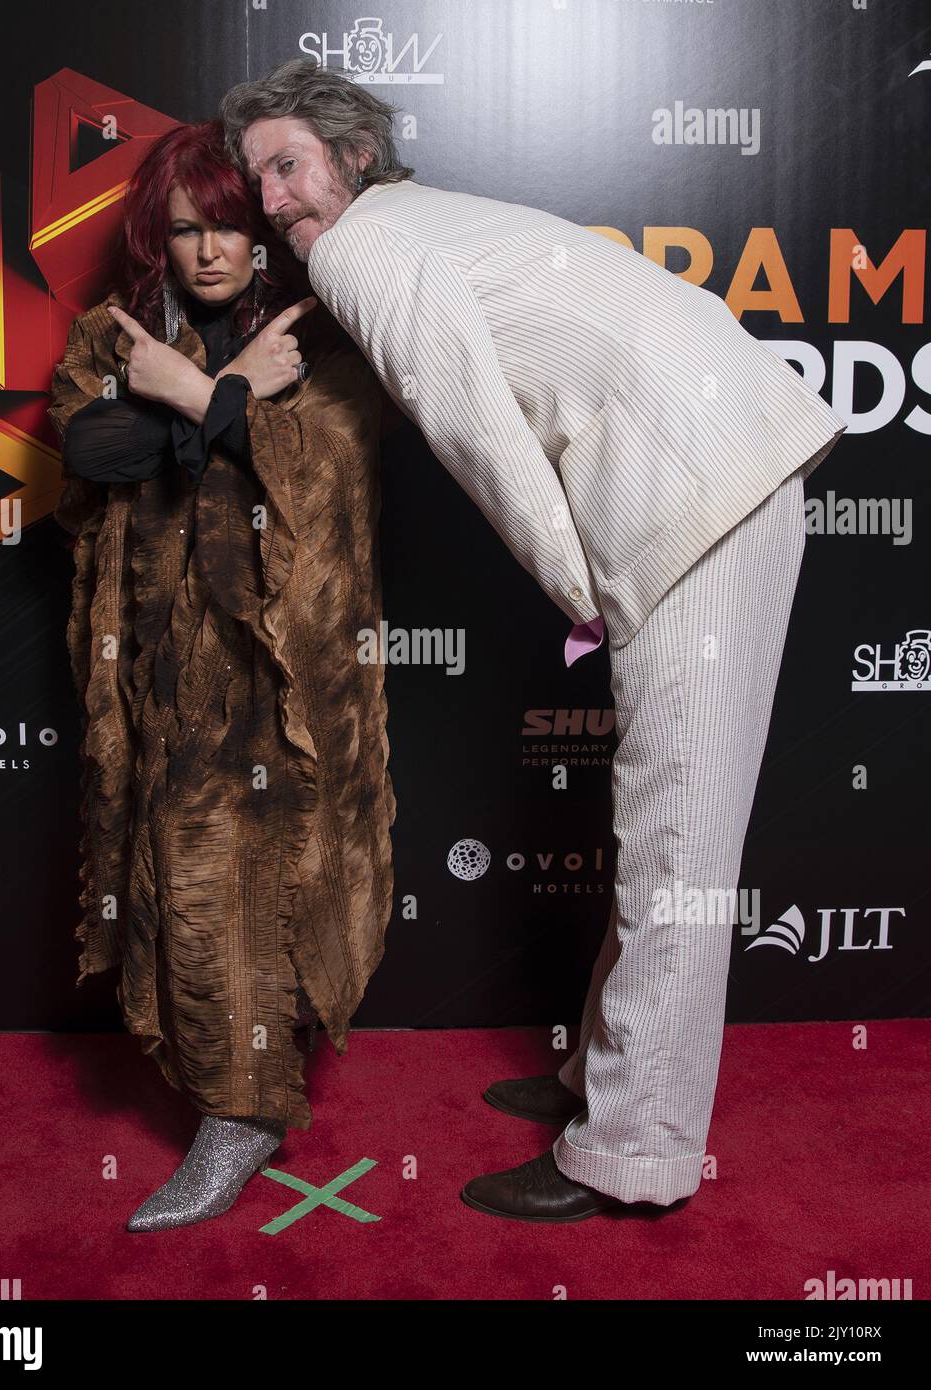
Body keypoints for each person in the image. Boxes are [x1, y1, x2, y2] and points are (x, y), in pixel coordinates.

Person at [219, 60, 848, 1223]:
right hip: (716, 466)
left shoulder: (363, 245)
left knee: (678, 848)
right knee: (658, 823)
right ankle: (594, 1079)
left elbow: (478, 436)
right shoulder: (415, 224)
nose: (270, 198)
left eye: (288, 163)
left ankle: (631, 1151)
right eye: (255, 176)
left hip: (694, 487)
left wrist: (579, 591)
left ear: (353, 157)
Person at [48, 118, 396, 1232]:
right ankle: (226, 1095)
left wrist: (204, 396)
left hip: (278, 677)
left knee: (241, 882)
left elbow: (327, 475)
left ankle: (240, 1115)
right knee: (171, 879)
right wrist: (220, 399)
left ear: (263, 236)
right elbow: (90, 450)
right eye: (186, 231)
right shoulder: (118, 335)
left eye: (230, 229)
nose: (207, 253)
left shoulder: (316, 337)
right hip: (155, 666)